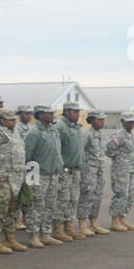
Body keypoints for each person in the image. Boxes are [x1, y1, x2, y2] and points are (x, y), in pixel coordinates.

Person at [0, 108, 29, 254]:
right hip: (1, 178)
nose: (13, 122)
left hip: (16, 178)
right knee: (0, 209)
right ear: (2, 120)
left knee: (13, 209)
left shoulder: (15, 134)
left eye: (13, 119)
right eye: (9, 119)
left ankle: (10, 237)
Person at [23, 106, 64, 249]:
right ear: (40, 115)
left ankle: (46, 233)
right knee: (36, 206)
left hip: (53, 174)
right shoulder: (34, 132)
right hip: (38, 174)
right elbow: (27, 156)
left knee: (50, 205)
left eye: (52, 113)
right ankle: (33, 235)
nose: (52, 115)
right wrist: (30, 179)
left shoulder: (53, 130)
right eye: (48, 113)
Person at [105, 111, 134, 232]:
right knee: (120, 194)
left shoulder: (131, 135)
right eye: (128, 121)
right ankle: (115, 220)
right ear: (122, 122)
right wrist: (118, 158)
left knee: (129, 195)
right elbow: (108, 149)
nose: (131, 124)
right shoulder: (119, 135)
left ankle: (122, 218)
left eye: (132, 121)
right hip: (120, 170)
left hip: (131, 169)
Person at [56, 103, 85, 241]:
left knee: (73, 199)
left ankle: (68, 226)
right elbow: (56, 149)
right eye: (74, 112)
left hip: (75, 170)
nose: (77, 114)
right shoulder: (60, 127)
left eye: (78, 112)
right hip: (64, 170)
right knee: (63, 199)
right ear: (66, 112)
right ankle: (58, 228)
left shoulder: (77, 128)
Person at [78, 110, 110, 236]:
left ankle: (94, 223)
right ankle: (82, 224)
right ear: (91, 120)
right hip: (89, 171)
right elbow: (80, 152)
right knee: (87, 195)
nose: (102, 122)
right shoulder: (87, 134)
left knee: (98, 196)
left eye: (103, 120)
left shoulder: (101, 134)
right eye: (99, 119)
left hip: (100, 170)